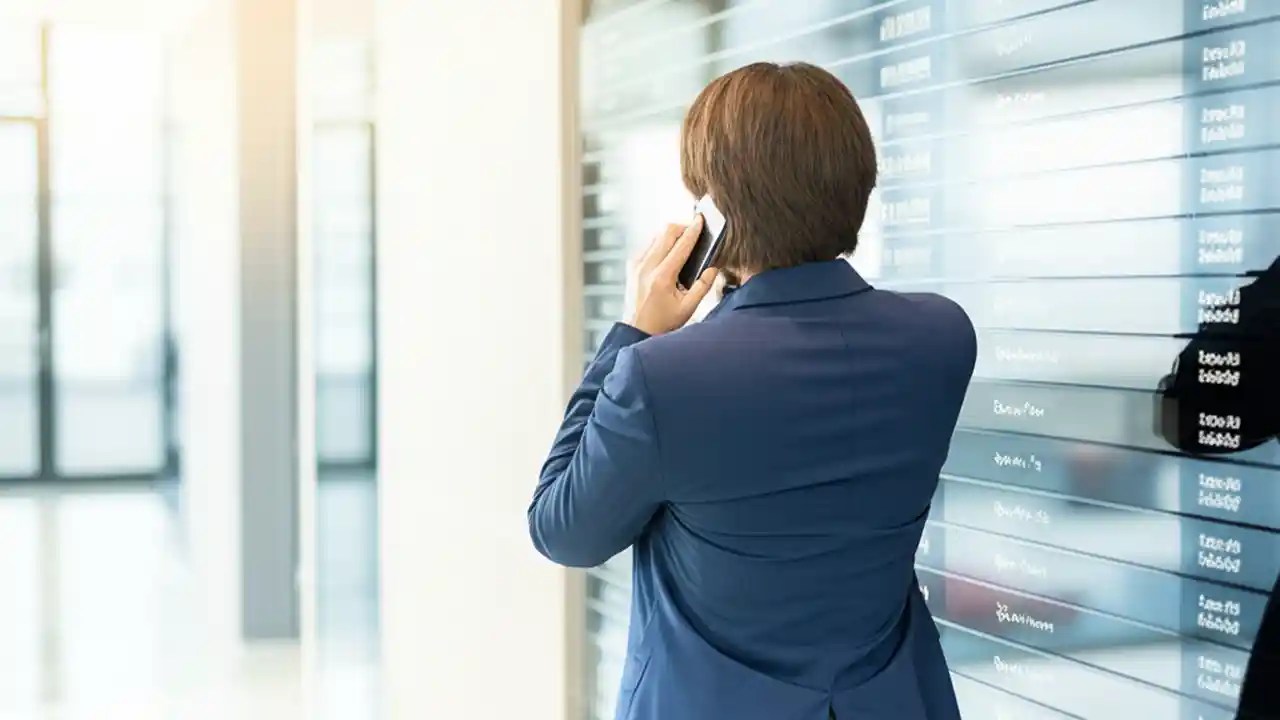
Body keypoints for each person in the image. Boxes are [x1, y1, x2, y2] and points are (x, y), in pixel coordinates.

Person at [529, 62, 976, 720]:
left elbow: (562, 531)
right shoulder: (942, 336)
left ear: (715, 213)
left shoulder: (661, 378)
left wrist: (632, 331)